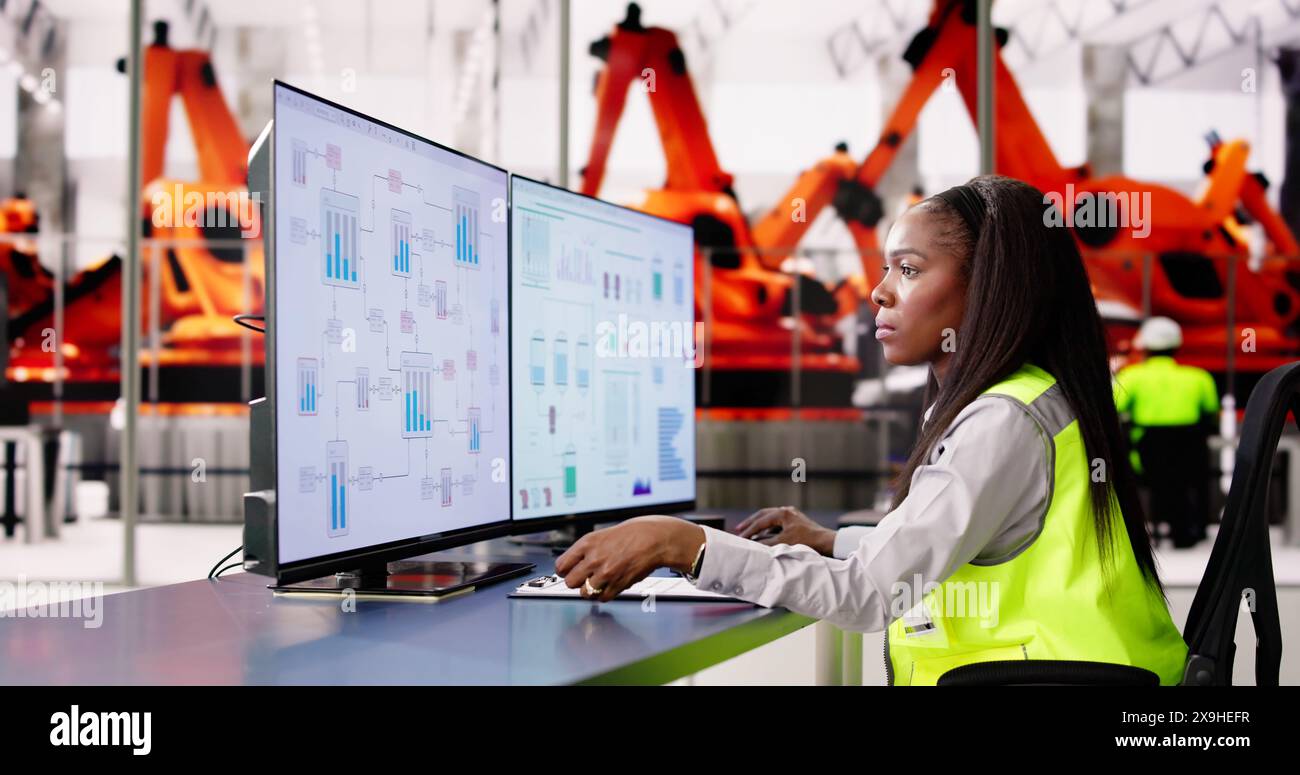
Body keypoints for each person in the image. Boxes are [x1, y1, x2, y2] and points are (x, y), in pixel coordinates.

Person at [554, 175, 1189, 685]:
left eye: (908, 270)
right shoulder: (1022, 398)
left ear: (987, 287)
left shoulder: (1003, 420)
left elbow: (869, 597)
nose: (878, 293)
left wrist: (685, 544)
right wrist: (835, 541)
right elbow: (946, 546)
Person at [1114, 317, 1218, 548]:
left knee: (1154, 478)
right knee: (1182, 481)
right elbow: (1211, 414)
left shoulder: (1131, 376)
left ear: (1145, 346)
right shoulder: (1199, 377)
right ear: (1177, 345)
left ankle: (1146, 529)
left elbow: (1115, 408)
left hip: (1149, 449)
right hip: (1189, 448)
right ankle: (1187, 530)